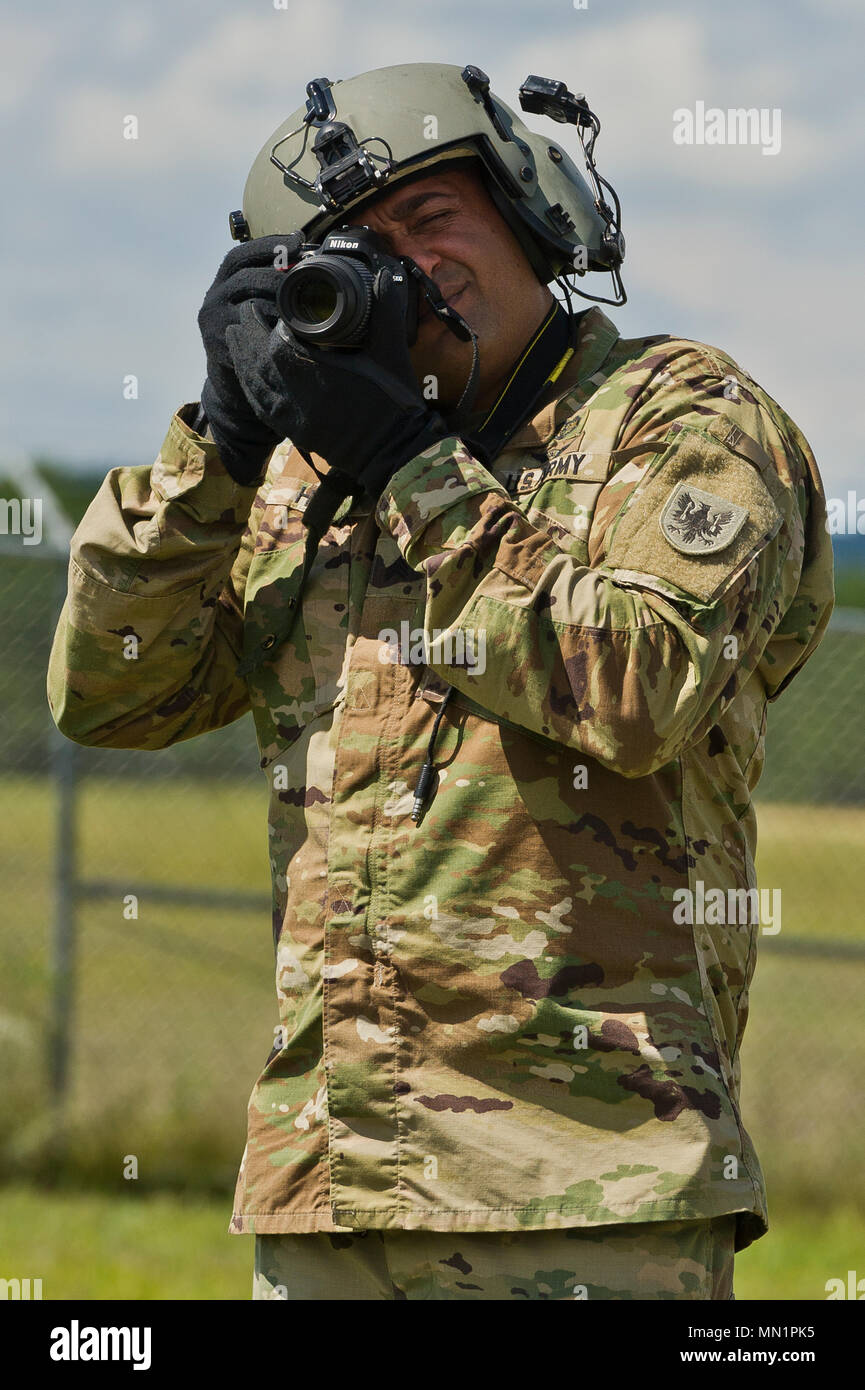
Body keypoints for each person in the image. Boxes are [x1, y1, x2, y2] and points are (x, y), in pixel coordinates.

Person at [47, 62, 834, 1301]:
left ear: (534, 216)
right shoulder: (306, 485)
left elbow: (636, 687)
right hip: (331, 1187)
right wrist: (222, 445)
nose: (406, 265)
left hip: (589, 1189)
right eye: (354, 249)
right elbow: (110, 692)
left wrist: (411, 464)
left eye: (431, 219)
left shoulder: (681, 418)